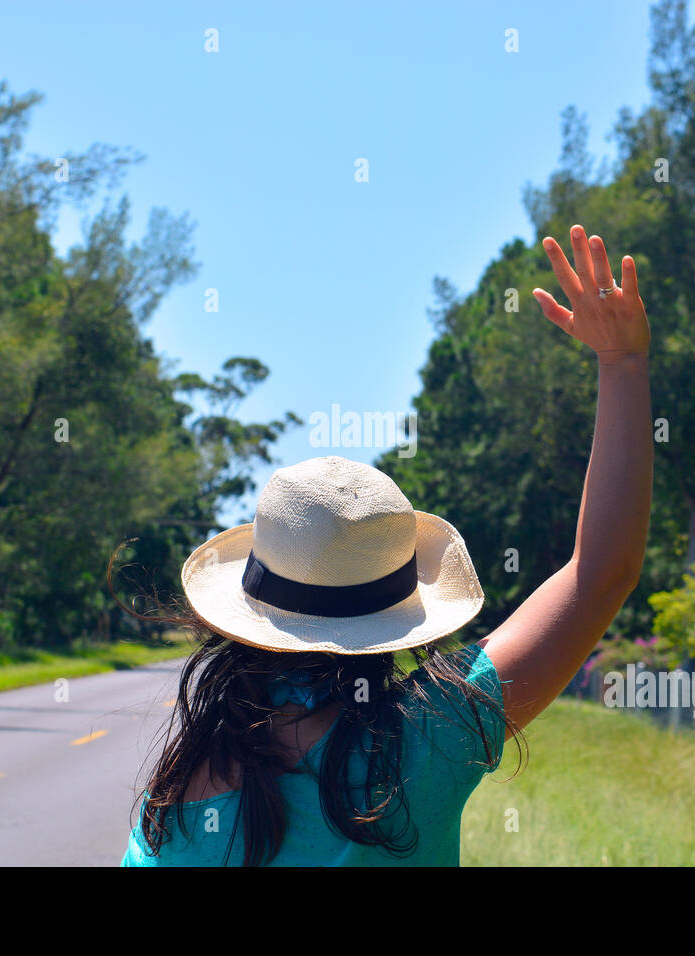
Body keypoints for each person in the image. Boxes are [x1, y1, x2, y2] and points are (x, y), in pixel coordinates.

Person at [119, 226, 652, 866]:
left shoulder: (171, 803)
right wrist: (622, 363)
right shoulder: (431, 738)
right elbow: (602, 574)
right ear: (397, 617)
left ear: (246, 609)